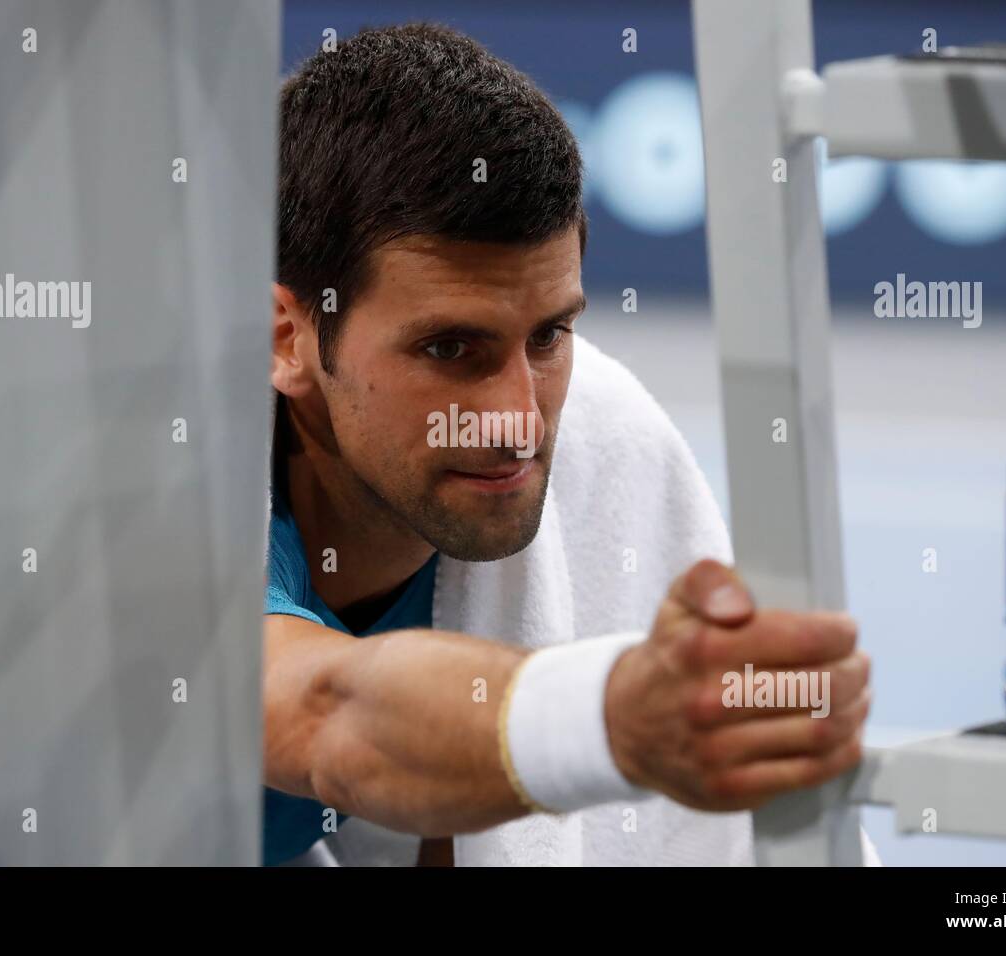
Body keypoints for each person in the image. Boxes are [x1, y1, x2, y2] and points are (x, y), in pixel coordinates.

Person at [264, 22, 871, 867]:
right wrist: (614, 719)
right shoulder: (169, 474)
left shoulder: (599, 428)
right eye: (450, 349)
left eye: (549, 335)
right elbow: (326, 716)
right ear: (286, 339)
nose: (522, 419)